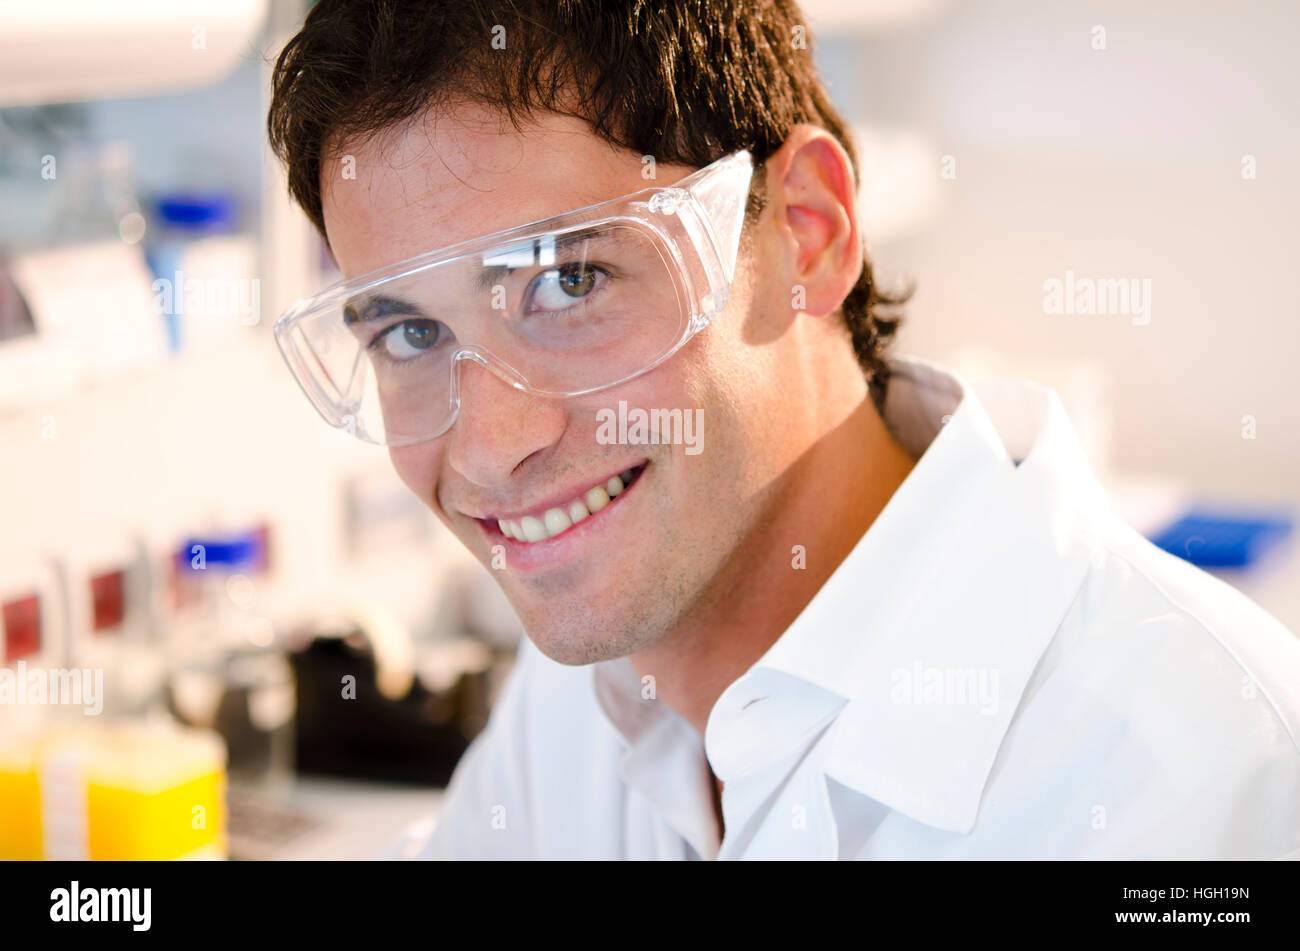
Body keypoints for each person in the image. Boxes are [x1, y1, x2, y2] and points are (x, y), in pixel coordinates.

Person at [266, 0, 1300, 859]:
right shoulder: (583, 691)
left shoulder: (1201, 782)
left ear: (807, 231)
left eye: (569, 280)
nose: (492, 446)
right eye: (408, 331)